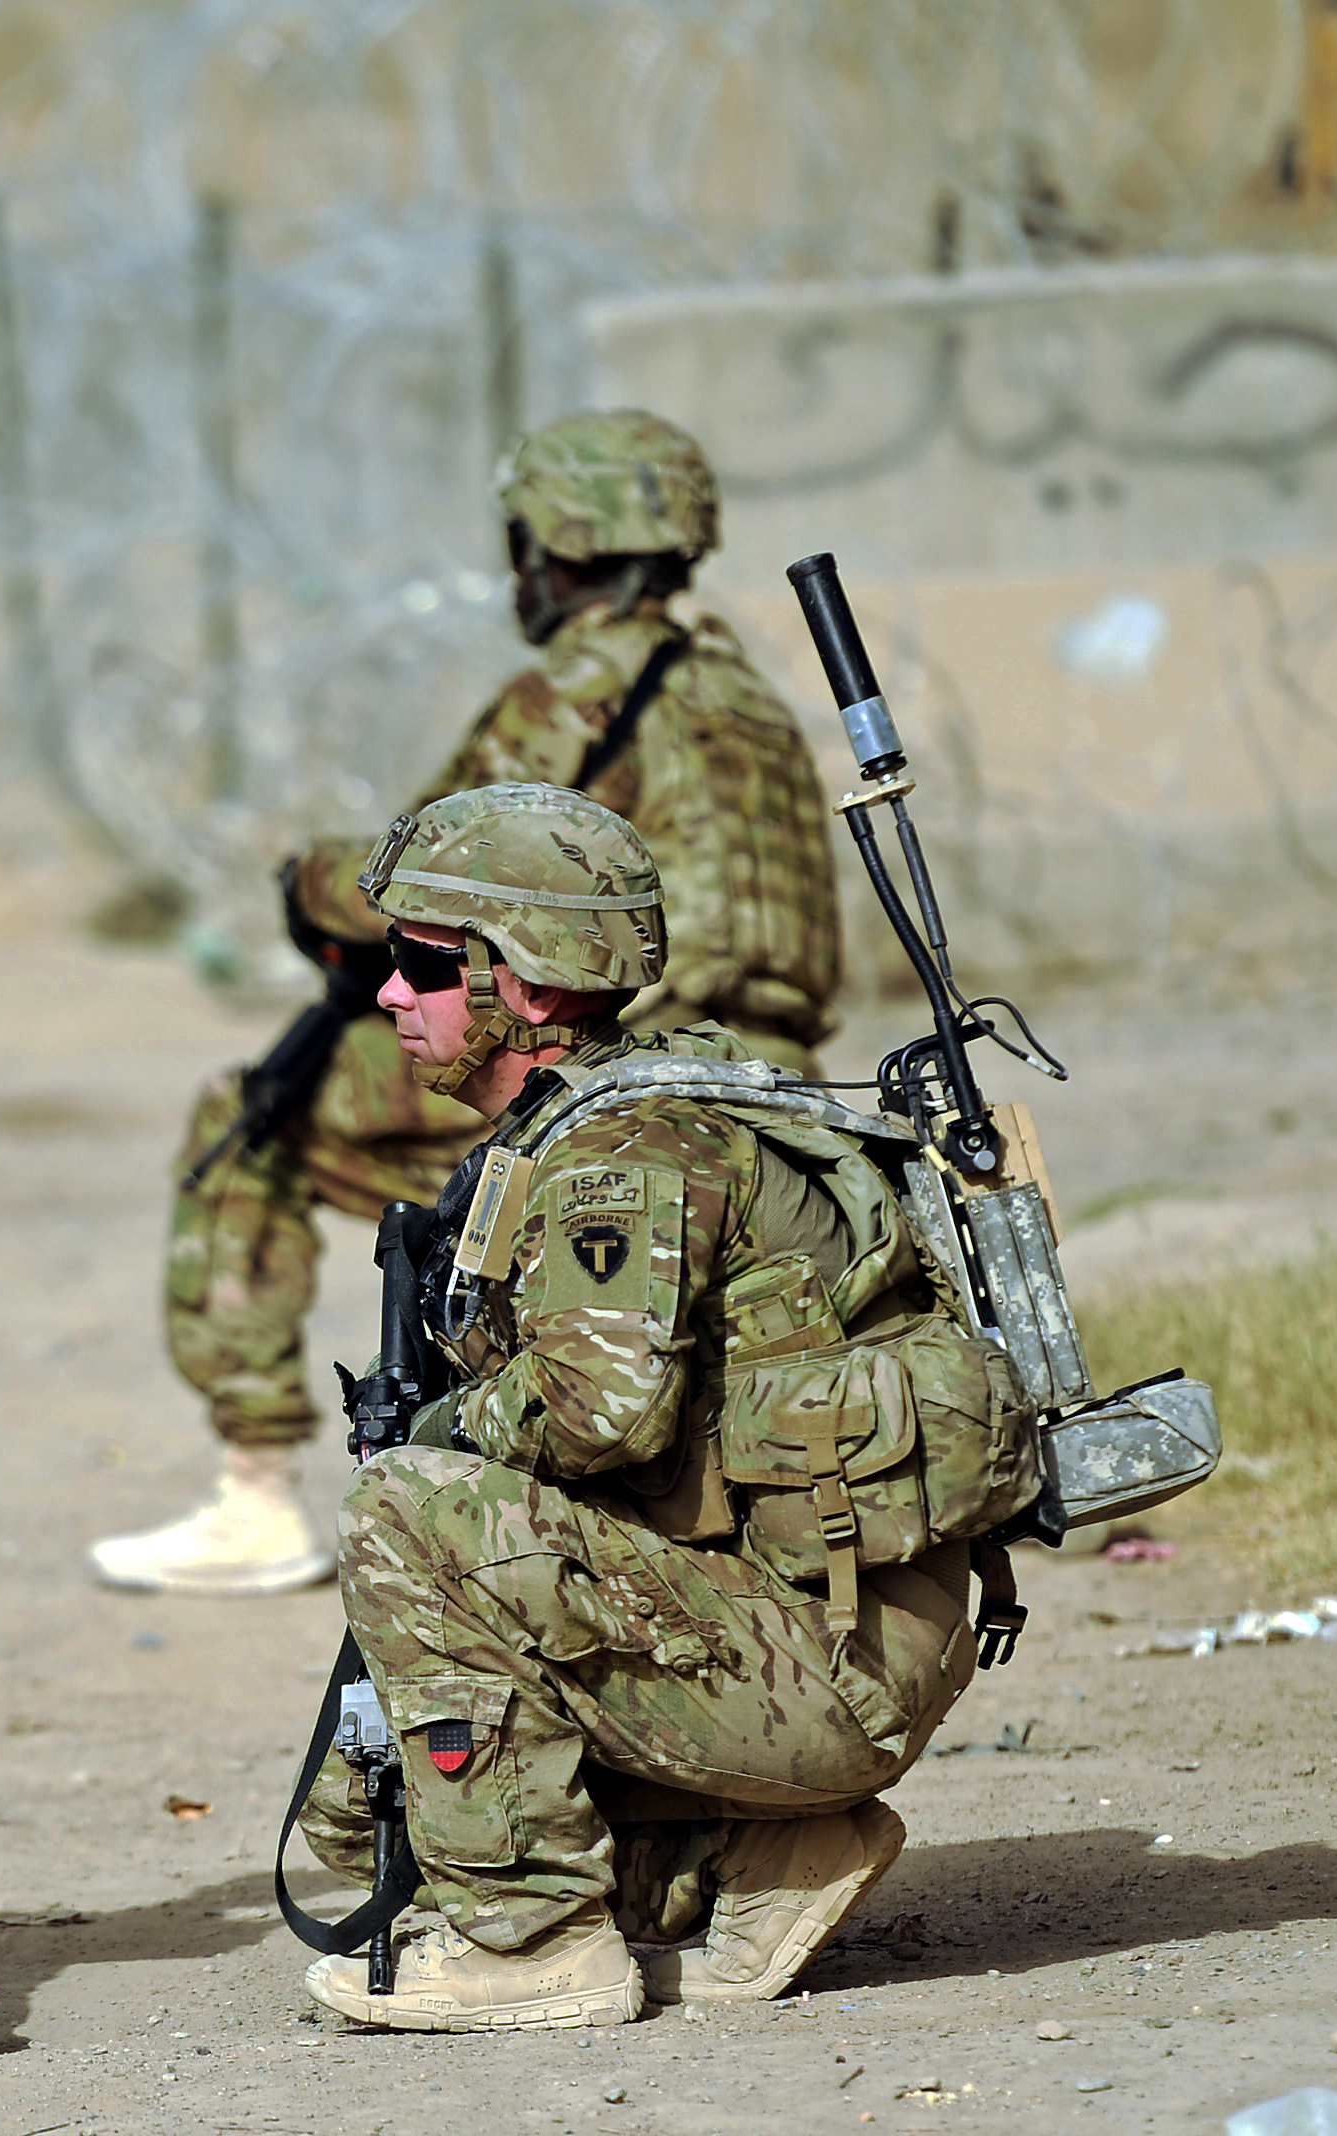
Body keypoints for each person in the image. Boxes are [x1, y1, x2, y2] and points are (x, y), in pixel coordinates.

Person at [92, 408, 846, 1596]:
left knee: (246, 1126)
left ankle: (258, 1492)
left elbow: (435, 865)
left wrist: (305, 878)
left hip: (602, 1054)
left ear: (560, 545)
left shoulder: (582, 691)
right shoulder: (745, 699)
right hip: (764, 1073)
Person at [296, 783, 1001, 2033]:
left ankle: (534, 1952)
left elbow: (596, 1416)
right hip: (824, 1630)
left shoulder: (625, 1156)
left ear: (536, 986)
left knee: (406, 1510)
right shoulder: (624, 1109)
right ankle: (761, 1860)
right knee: (354, 1833)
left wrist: (435, 1436)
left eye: (422, 964)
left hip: (826, 1661)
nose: (390, 996)